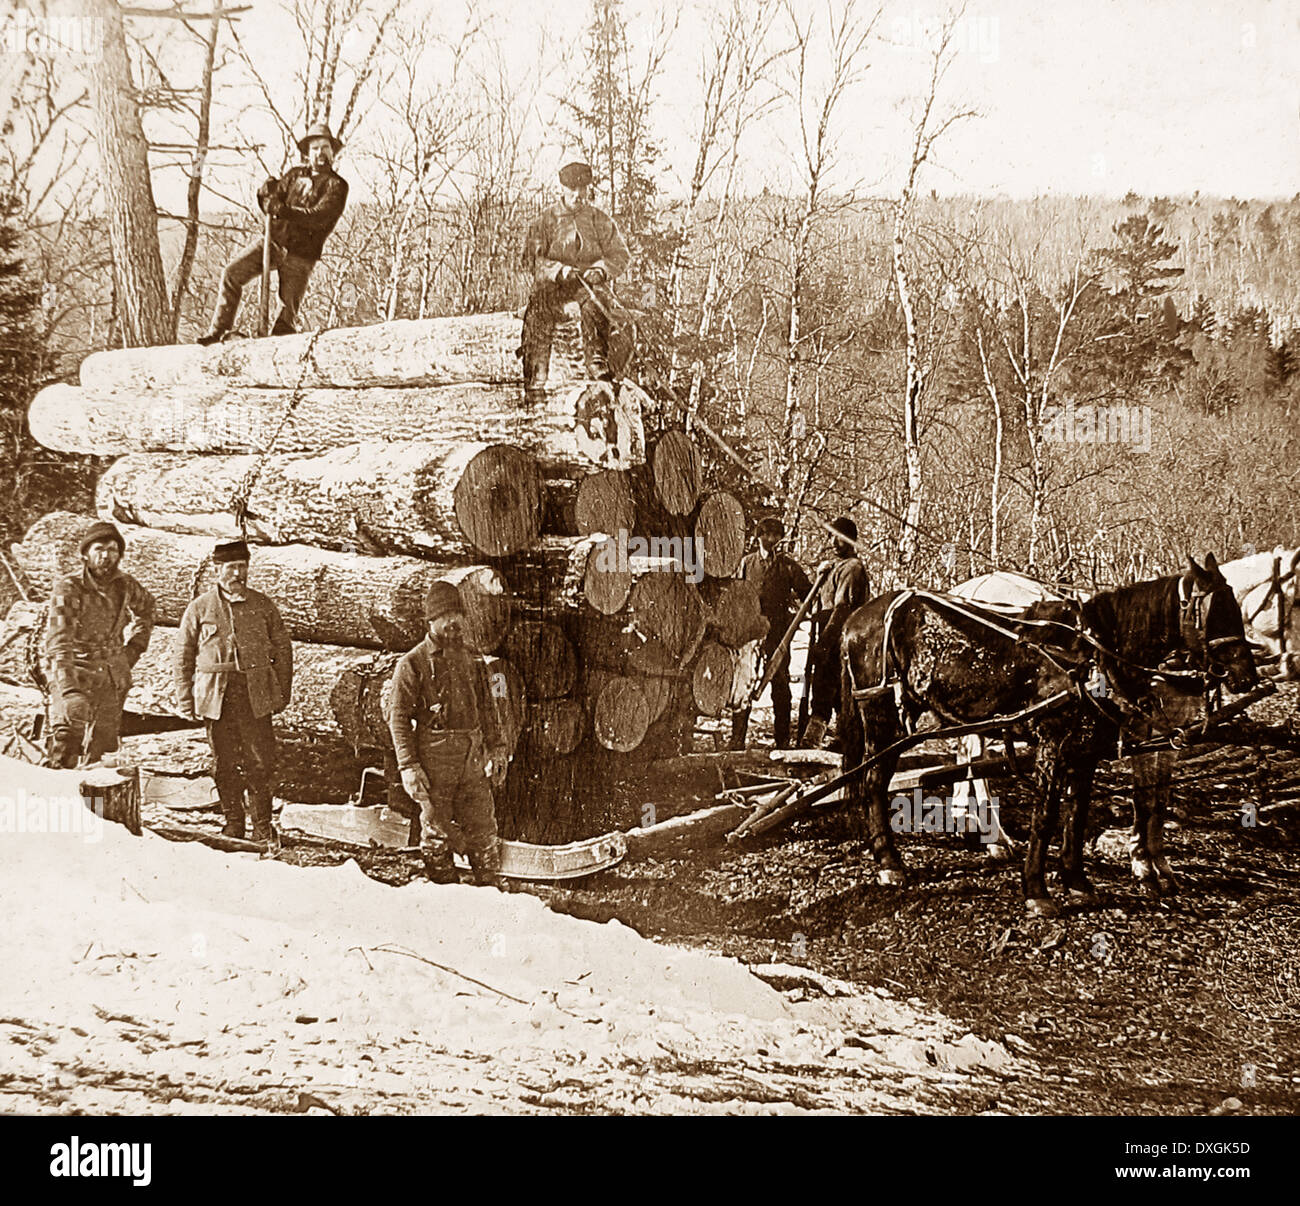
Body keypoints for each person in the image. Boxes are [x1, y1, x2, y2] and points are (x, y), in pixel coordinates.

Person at [387, 582, 511, 888]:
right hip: (435, 762)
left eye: (458, 614)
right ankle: (444, 897)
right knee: (437, 834)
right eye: (447, 615)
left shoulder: (472, 659)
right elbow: (398, 718)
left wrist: (497, 749)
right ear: (432, 620)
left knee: (483, 829)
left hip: (471, 758)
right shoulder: (412, 664)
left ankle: (489, 892)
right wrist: (408, 767)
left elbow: (487, 708)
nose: (454, 622)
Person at [173, 541, 293, 844]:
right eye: (231, 568)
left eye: (243, 567)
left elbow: (283, 649)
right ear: (217, 570)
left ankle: (262, 825)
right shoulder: (200, 608)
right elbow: (183, 656)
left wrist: (281, 692)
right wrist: (185, 698)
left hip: (254, 694)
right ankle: (233, 823)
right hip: (217, 695)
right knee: (224, 762)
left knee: (261, 760)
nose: (238, 573)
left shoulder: (263, 605)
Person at [197, 121, 349, 344]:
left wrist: (283, 209)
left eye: (325, 147)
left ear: (332, 152)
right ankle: (217, 331)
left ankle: (278, 353)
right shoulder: (295, 175)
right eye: (315, 148)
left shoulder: (337, 185)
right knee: (231, 274)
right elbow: (272, 199)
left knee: (286, 317)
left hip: (301, 254)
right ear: (308, 153)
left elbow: (317, 217)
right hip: (273, 242)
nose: (321, 153)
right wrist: (265, 194)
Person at [43, 521, 156, 768]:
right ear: (85, 553)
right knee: (66, 744)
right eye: (99, 549)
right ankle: (57, 800)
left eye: (113, 550)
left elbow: (147, 608)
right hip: (76, 672)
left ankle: (95, 806)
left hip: (112, 678)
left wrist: (135, 647)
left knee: (103, 751)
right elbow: (58, 642)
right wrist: (69, 690)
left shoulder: (125, 585)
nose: (106, 556)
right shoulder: (70, 588)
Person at [519, 160, 630, 390]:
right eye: (572, 189)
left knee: (597, 301)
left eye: (583, 189)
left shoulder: (599, 220)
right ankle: (535, 373)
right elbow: (531, 260)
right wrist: (559, 271)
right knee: (538, 309)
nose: (578, 194)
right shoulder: (545, 221)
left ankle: (597, 363)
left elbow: (619, 254)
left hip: (587, 284)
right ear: (562, 188)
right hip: (553, 286)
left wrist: (600, 269)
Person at [730, 517, 814, 750]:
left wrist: (796, 616)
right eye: (767, 535)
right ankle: (737, 740)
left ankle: (782, 740)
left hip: (778, 636)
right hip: (749, 636)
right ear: (758, 537)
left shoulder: (788, 567)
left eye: (776, 535)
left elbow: (807, 592)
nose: (772, 540)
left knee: (781, 685)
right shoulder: (746, 564)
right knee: (745, 685)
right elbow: (735, 595)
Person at [801, 516, 871, 749]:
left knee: (839, 691)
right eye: (831, 536)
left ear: (850, 540)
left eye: (839, 538)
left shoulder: (853, 568)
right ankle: (814, 740)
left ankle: (845, 739)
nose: (833, 542)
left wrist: (824, 643)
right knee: (822, 687)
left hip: (842, 640)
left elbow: (841, 610)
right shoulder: (833, 568)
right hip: (828, 635)